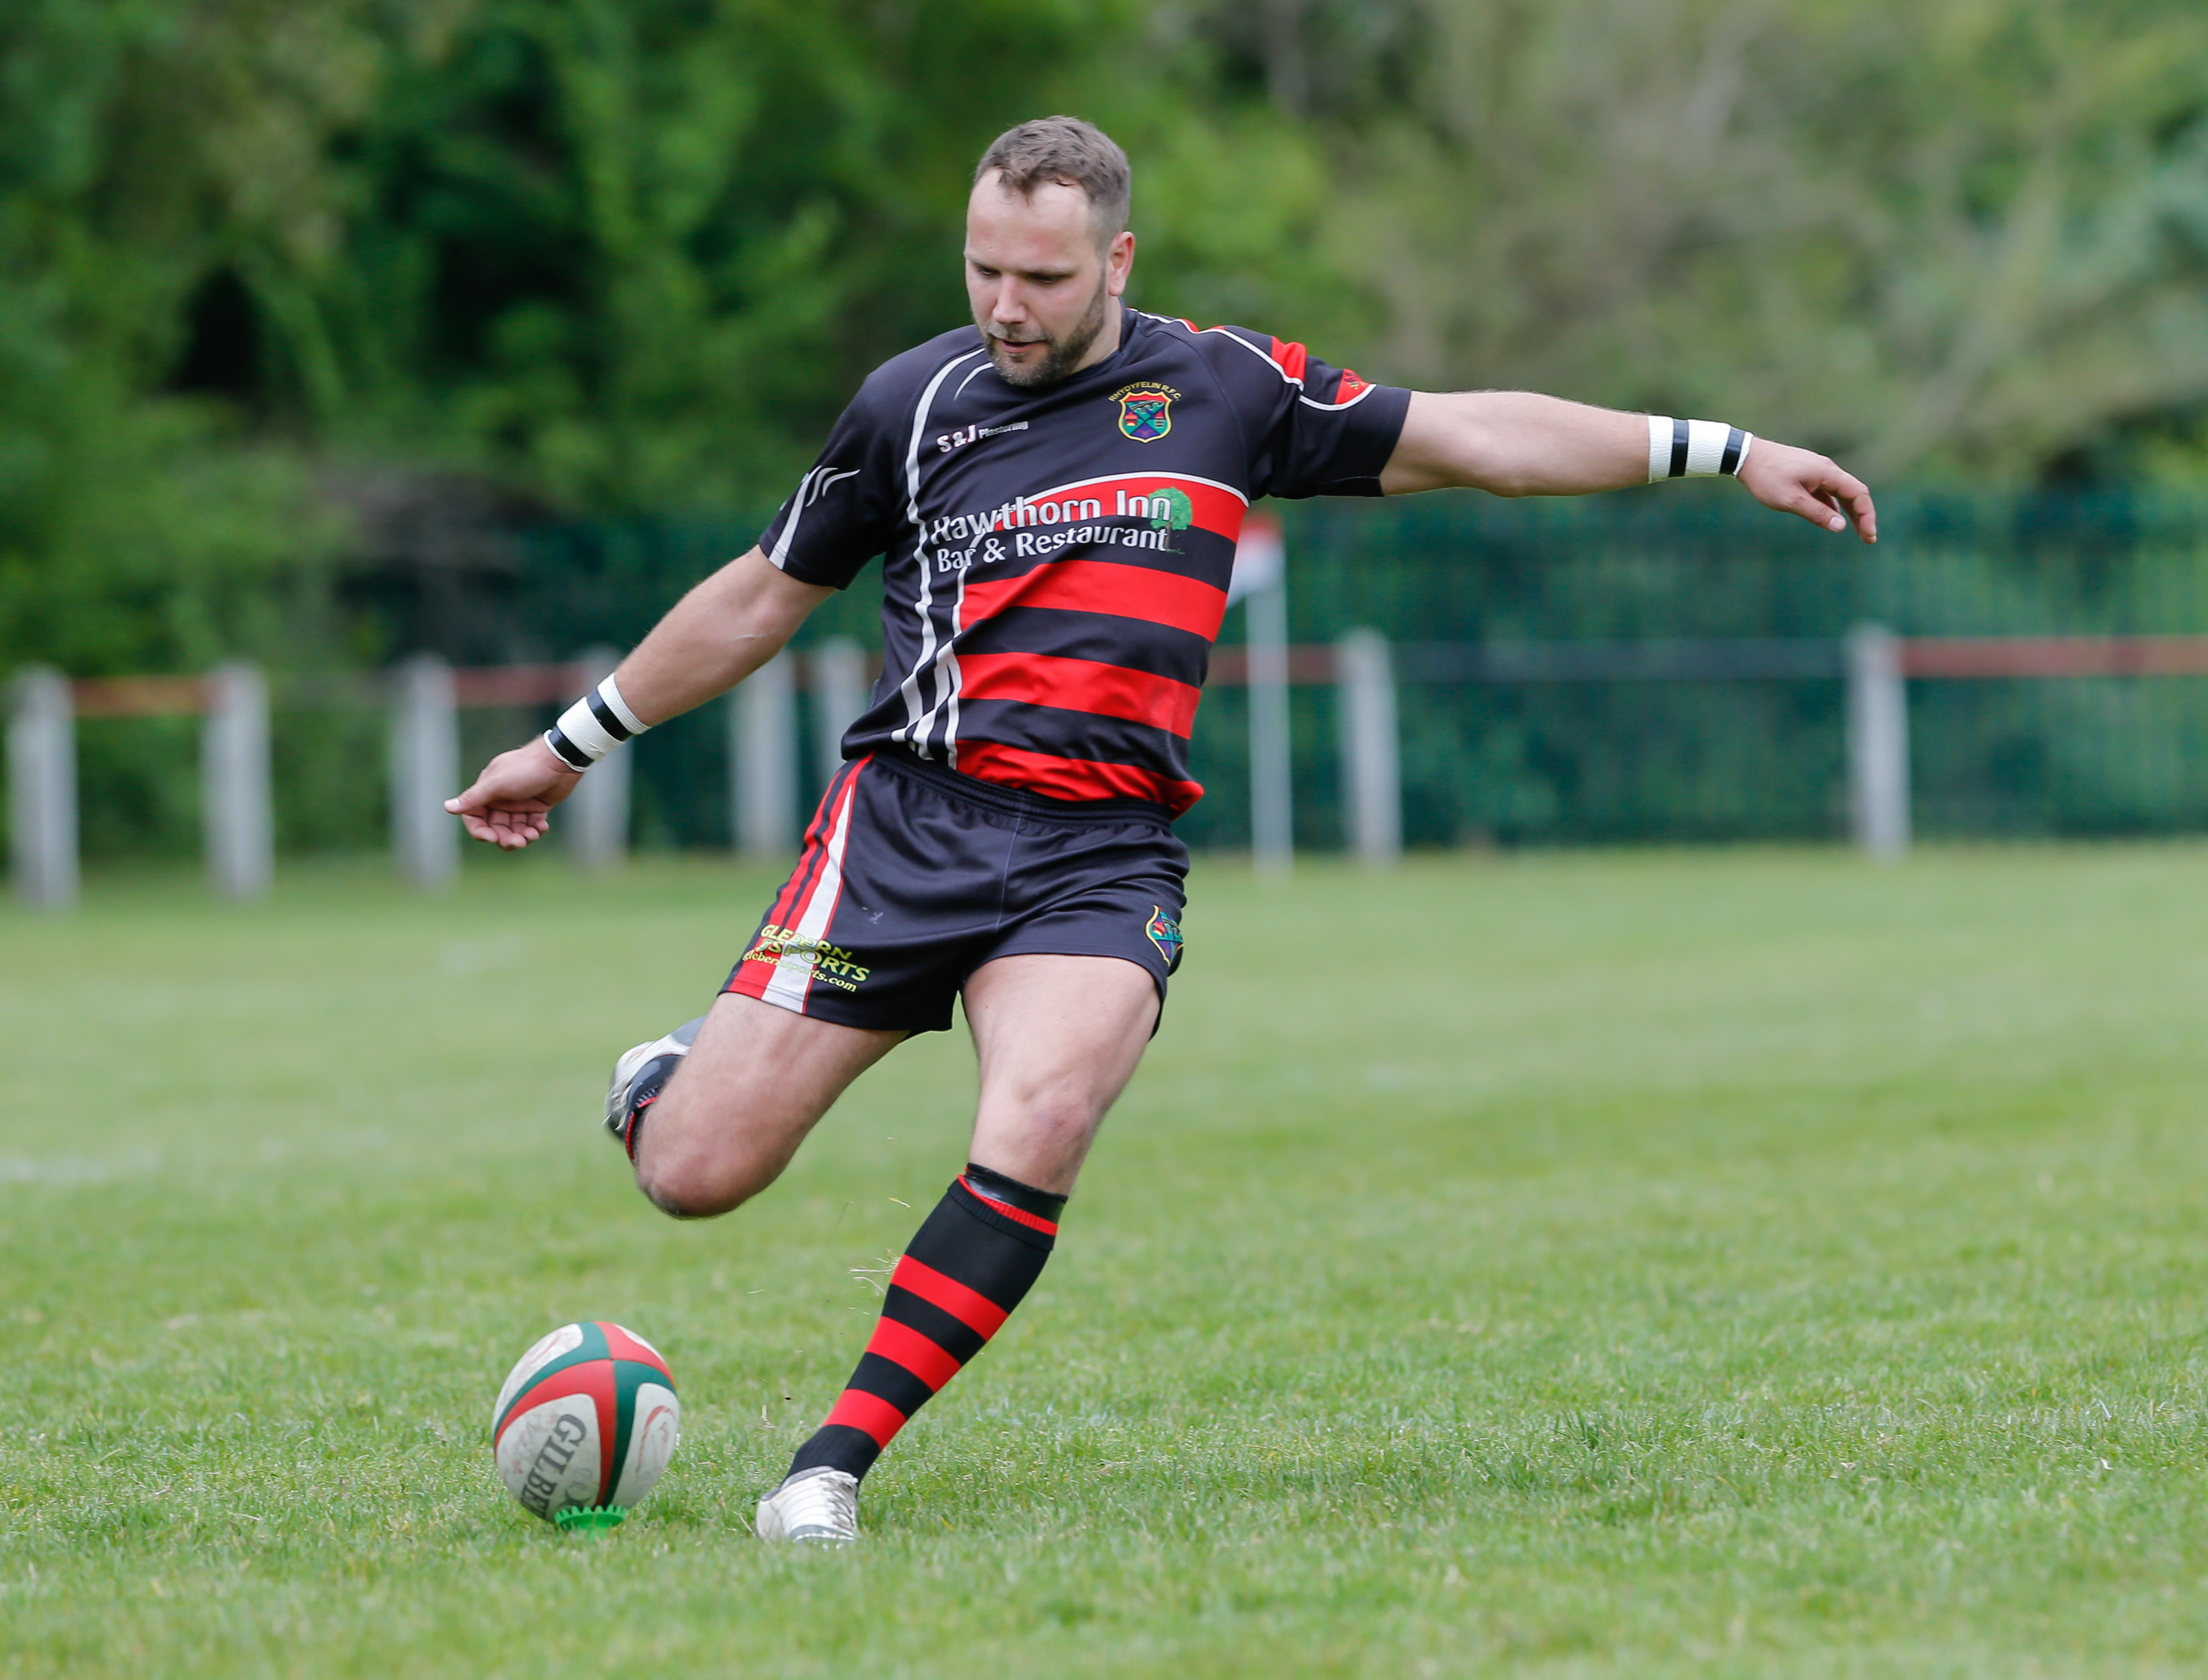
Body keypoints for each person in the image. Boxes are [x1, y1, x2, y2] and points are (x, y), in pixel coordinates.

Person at [446, 115, 1878, 1545]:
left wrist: (1725, 447)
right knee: (697, 1178)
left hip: (1099, 854)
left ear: (1116, 259)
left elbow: (1479, 434)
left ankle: (828, 1468)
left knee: (1045, 1115)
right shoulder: (911, 406)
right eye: (983, 270)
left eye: (1044, 280)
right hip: (906, 832)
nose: (1006, 306)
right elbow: (761, 596)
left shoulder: (1226, 387)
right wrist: (569, 747)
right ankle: (662, 1085)